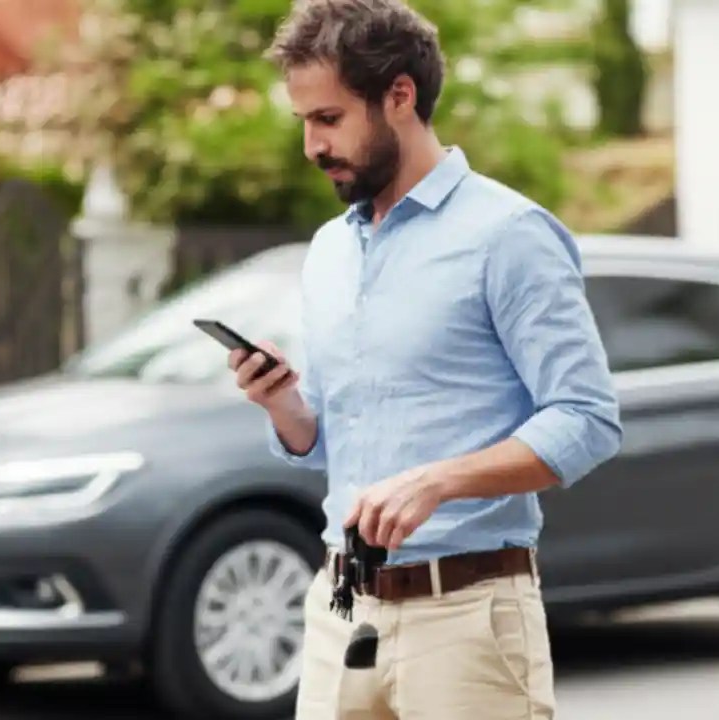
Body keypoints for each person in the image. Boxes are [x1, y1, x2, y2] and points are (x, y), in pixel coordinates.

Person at [227, 0, 623, 717]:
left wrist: (441, 482)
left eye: (329, 119)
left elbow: (589, 418)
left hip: (468, 619)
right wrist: (283, 406)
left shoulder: (509, 234)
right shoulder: (329, 251)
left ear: (400, 97)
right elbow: (332, 442)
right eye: (305, 123)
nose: (312, 147)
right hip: (340, 614)